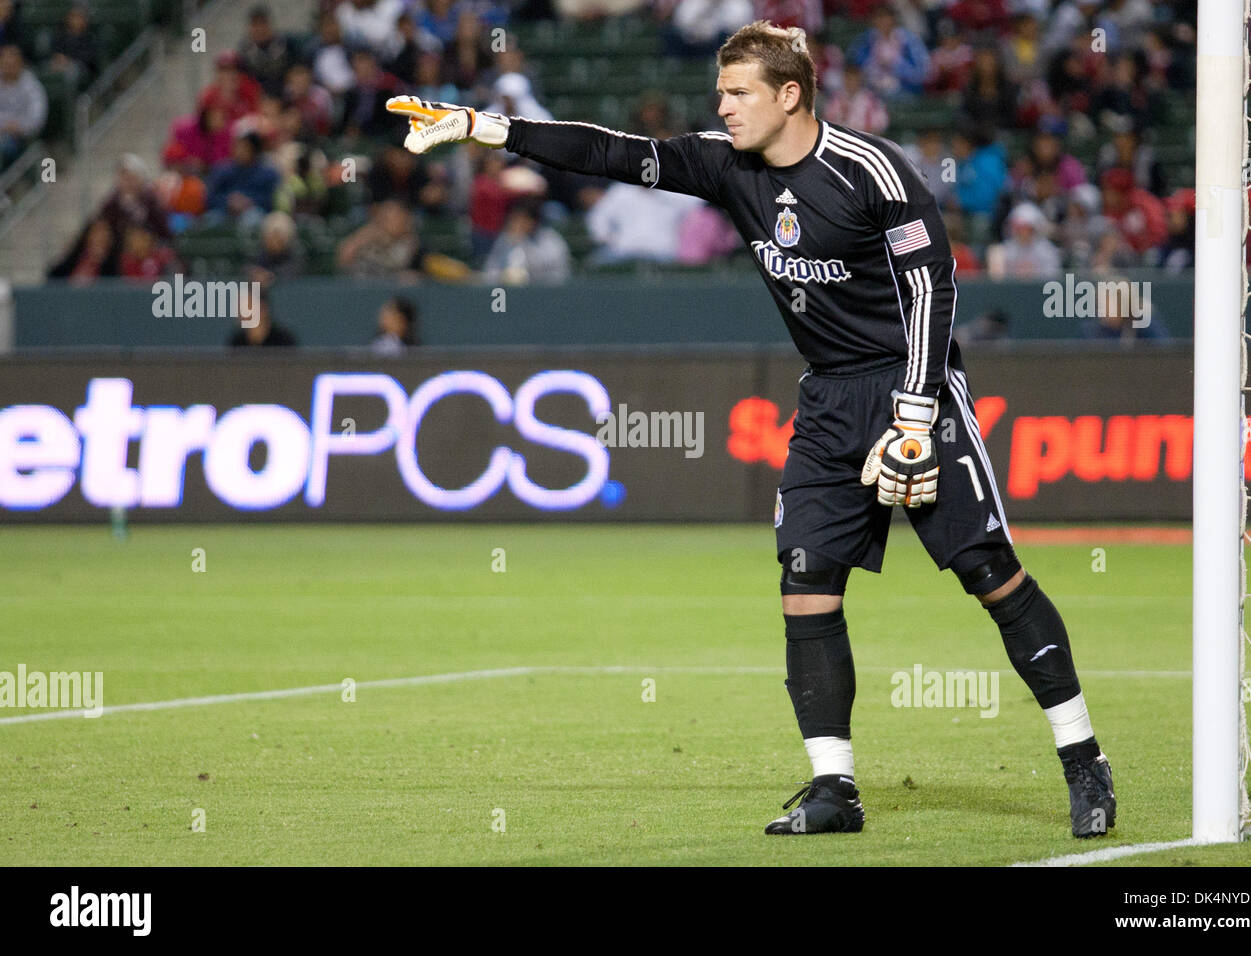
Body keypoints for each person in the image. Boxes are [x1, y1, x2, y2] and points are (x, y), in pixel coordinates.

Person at [385, 19, 1116, 840]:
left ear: (790, 94)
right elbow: (614, 152)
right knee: (805, 581)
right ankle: (834, 788)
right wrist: (491, 128)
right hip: (829, 403)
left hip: (915, 390)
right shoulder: (724, 164)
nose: (723, 107)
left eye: (738, 93)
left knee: (990, 573)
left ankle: (1083, 763)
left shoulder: (872, 170)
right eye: (720, 93)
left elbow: (933, 291)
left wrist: (915, 413)